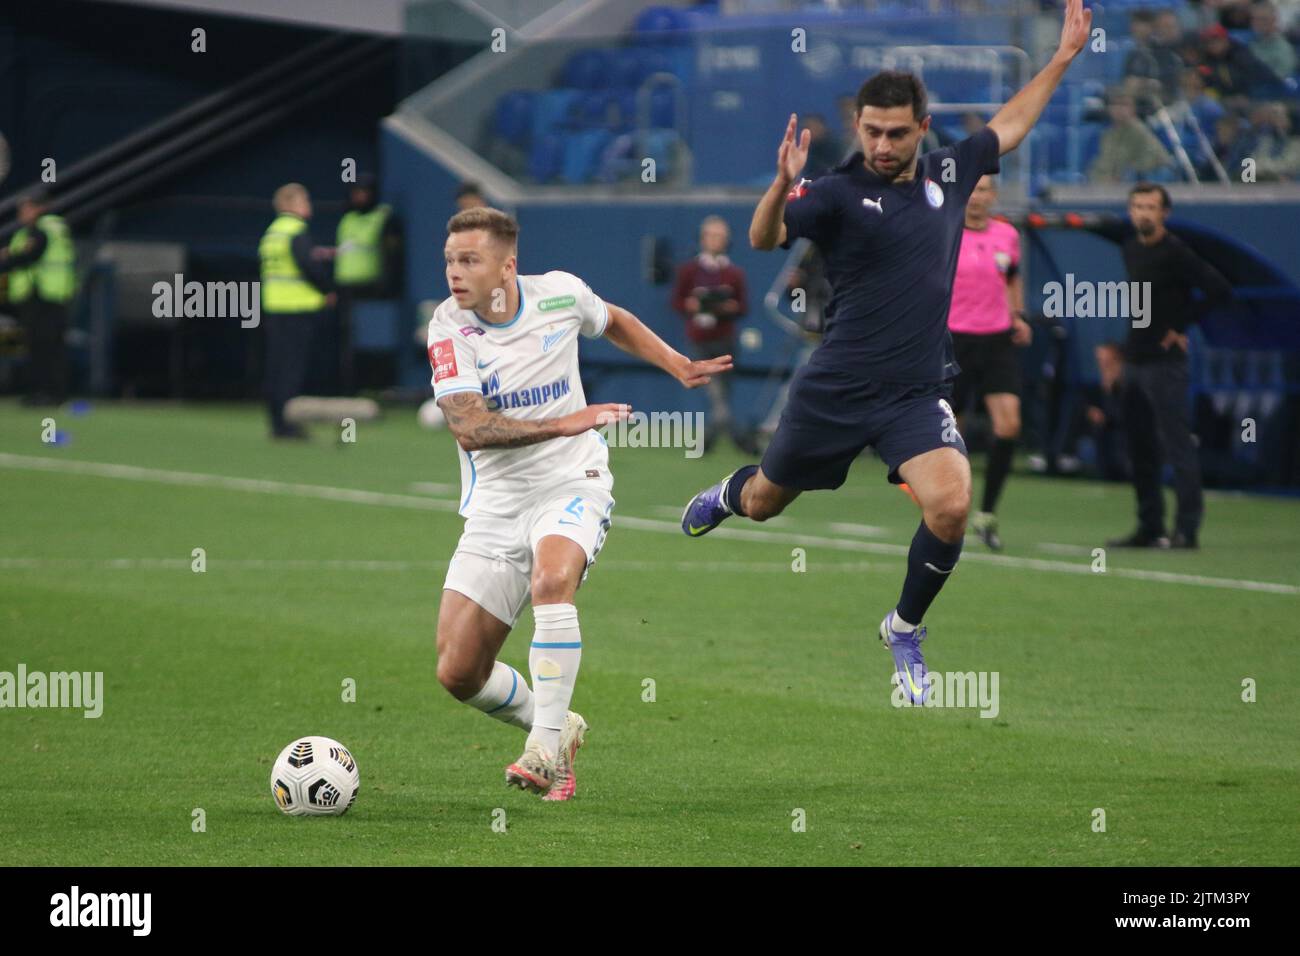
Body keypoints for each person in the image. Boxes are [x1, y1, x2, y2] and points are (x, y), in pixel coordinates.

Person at [681, 0, 1094, 703]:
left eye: (895, 132)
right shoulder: (836, 191)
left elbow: (1010, 125)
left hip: (913, 393)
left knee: (950, 506)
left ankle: (903, 629)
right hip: (835, 389)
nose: (881, 143)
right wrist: (781, 182)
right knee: (763, 506)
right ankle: (729, 489)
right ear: (857, 127)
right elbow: (760, 239)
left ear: (921, 129)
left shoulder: (950, 174)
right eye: (871, 130)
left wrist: (1059, 59)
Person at [430, 207, 730, 799]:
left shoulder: (560, 294)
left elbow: (611, 318)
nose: (454, 274)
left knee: (552, 581)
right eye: (449, 261)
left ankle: (542, 753)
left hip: (573, 481)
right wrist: (565, 420)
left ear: (507, 265)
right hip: (496, 501)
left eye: (469, 261)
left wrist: (675, 362)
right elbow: (470, 428)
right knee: (458, 671)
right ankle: (558, 723)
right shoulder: (449, 328)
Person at [1107, 182, 1232, 550]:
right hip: (1135, 360)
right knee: (1140, 446)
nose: (1143, 212)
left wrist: (1180, 326)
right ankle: (1149, 526)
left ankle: (1186, 529)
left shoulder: (1176, 252)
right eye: (1137, 206)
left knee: (1177, 445)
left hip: (1166, 365)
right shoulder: (1130, 249)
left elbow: (1219, 289)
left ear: (1165, 213)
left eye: (1150, 207)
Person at [947, 175, 1030, 551]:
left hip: (997, 340)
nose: (976, 198)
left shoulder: (1007, 235)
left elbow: (1012, 278)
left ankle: (988, 513)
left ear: (993, 196)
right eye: (970, 190)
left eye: (983, 191)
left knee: (1009, 424)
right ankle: (951, 509)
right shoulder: (944, 233)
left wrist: (1018, 315)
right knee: (950, 433)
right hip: (953, 339)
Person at [258, 183, 334, 440]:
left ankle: (276, 421)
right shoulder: (296, 231)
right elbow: (308, 267)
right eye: (305, 200)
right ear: (291, 205)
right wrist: (327, 290)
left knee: (276, 367)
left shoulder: (271, 233)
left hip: (274, 307)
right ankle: (288, 425)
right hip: (297, 308)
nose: (308, 205)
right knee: (291, 369)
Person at [670, 215, 750, 452]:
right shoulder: (689, 270)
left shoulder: (734, 273)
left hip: (724, 338)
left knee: (722, 391)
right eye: (711, 236)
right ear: (702, 239)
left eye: (720, 237)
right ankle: (739, 438)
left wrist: (728, 307)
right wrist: (691, 305)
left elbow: (743, 306)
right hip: (699, 338)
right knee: (714, 392)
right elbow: (676, 301)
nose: (716, 241)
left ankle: (710, 438)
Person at [0, 193, 76, 405]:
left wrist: (7, 258)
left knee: (41, 345)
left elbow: (29, 256)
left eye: (24, 210)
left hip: (43, 295)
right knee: (50, 345)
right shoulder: (54, 227)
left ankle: (44, 393)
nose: (21, 215)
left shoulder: (41, 230)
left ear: (37, 208)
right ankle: (52, 393)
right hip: (53, 293)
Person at [333, 173, 402, 391]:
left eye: (363, 192)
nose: (359, 197)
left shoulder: (383, 216)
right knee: (347, 341)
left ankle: (377, 385)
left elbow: (392, 255)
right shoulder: (347, 218)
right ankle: (349, 386)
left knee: (374, 338)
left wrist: (385, 285)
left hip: (371, 289)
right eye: (356, 192)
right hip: (346, 289)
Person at [1088, 89, 1175, 183]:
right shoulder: (1107, 135)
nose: (1119, 109)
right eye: (1115, 104)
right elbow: (1100, 166)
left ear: (1133, 108)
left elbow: (1160, 160)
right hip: (1108, 189)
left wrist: (1126, 175)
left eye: (1124, 104)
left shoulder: (1140, 131)